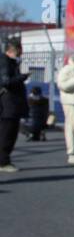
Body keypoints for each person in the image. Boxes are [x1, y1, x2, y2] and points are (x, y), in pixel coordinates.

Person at [0, 37, 28, 172]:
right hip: (8, 104)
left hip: (9, 104)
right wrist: (22, 77)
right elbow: (6, 82)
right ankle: (3, 161)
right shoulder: (6, 63)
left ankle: (4, 159)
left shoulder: (8, 63)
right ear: (14, 50)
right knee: (8, 133)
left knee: (9, 132)